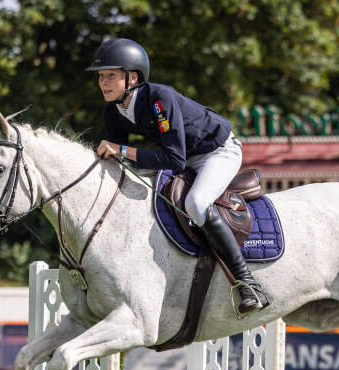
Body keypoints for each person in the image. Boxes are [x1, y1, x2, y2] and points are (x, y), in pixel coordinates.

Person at [86, 37, 270, 316]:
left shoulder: (160, 98)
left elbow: (173, 160)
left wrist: (122, 150)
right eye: (100, 76)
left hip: (217, 152)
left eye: (110, 75)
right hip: (182, 156)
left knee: (195, 203)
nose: (103, 82)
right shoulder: (112, 109)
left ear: (132, 77)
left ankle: (247, 283)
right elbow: (120, 161)